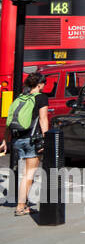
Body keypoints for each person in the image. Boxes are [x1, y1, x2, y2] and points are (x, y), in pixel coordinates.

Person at [7, 72, 49, 216]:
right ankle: (21, 206)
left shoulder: (21, 96)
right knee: (28, 174)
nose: (44, 86)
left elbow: (10, 118)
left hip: (17, 139)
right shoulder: (41, 98)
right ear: (39, 84)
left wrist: (5, 140)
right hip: (32, 140)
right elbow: (43, 119)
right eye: (44, 83)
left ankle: (22, 203)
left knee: (26, 173)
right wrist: (46, 139)